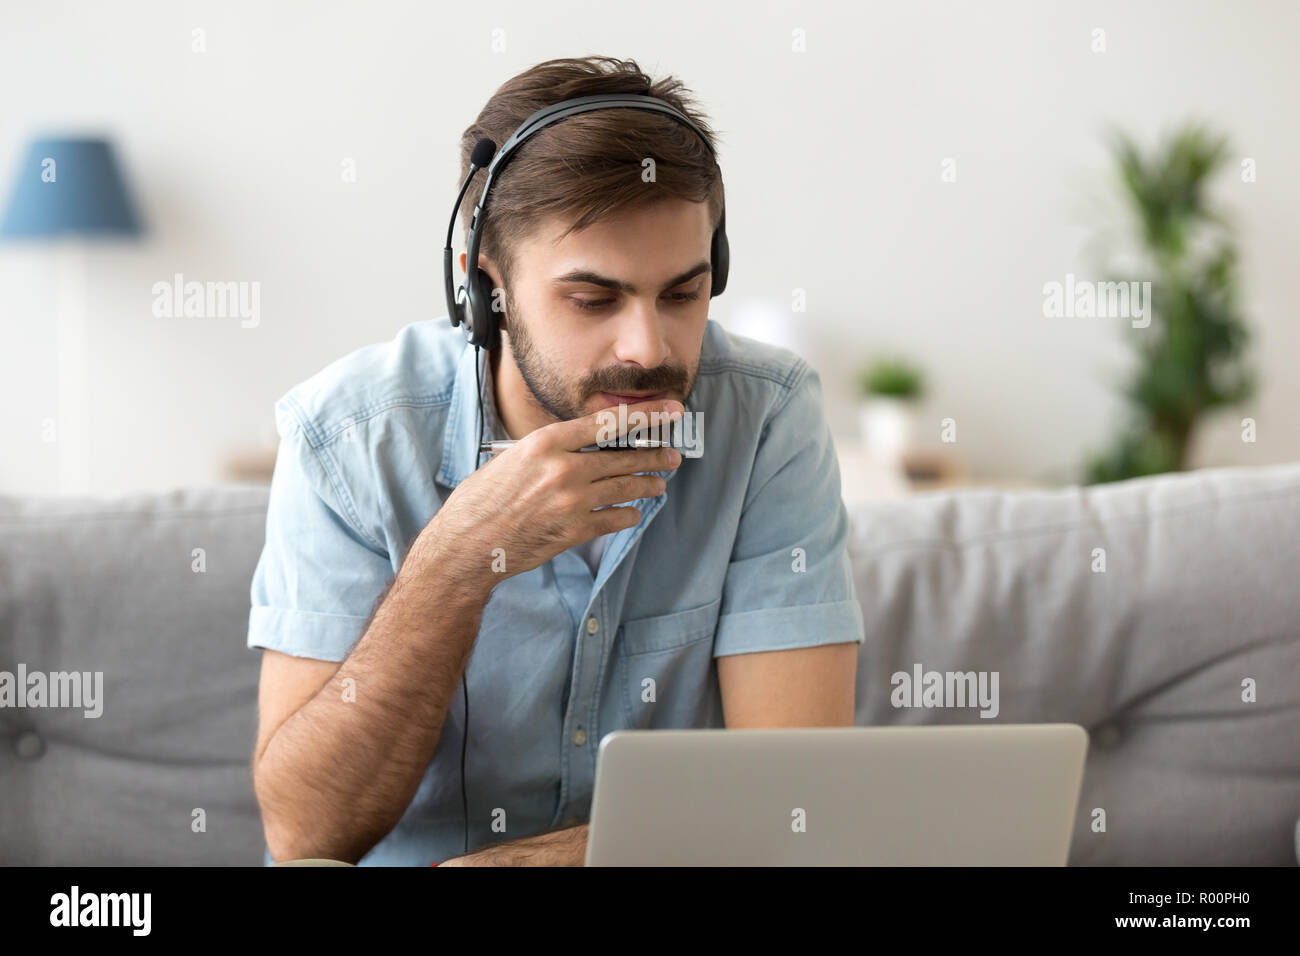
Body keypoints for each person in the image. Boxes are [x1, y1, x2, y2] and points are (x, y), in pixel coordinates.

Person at [247, 55, 864, 866]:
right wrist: (458, 560)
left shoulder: (765, 417)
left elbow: (793, 806)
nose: (649, 348)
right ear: (485, 289)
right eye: (594, 299)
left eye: (683, 294)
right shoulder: (347, 437)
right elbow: (306, 835)